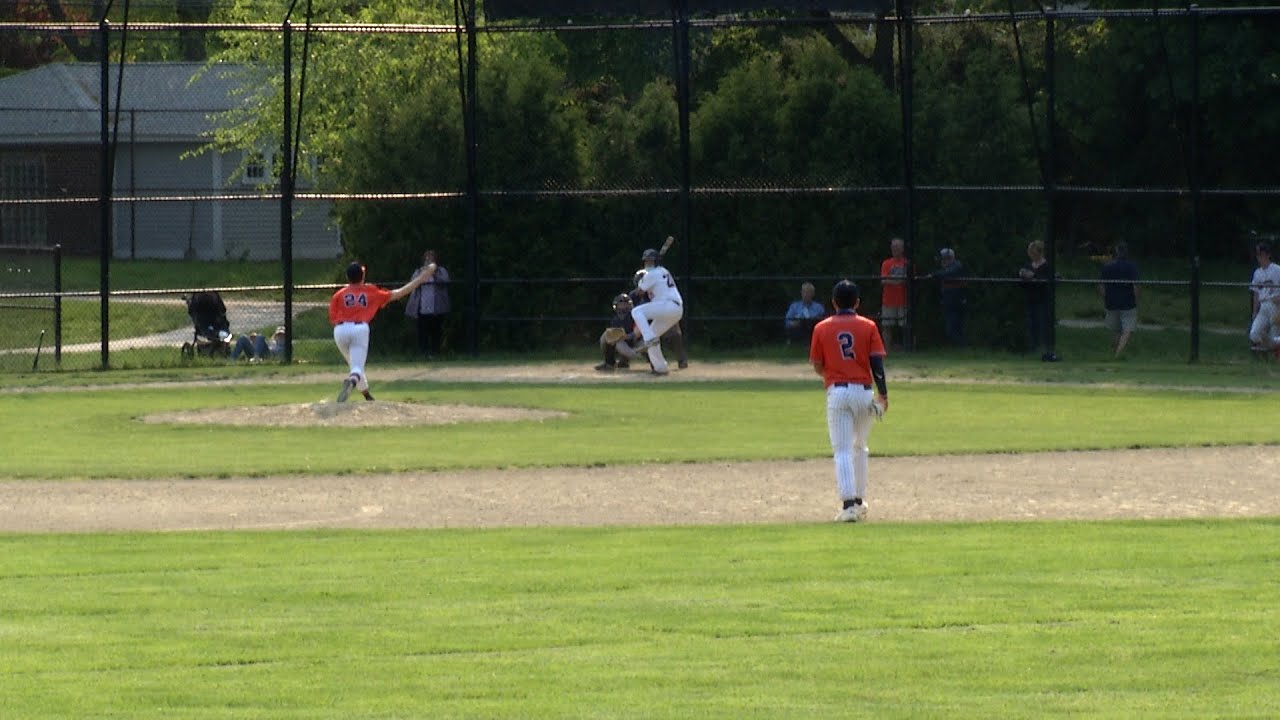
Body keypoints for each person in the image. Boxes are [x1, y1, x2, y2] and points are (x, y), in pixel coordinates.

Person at [809, 279, 888, 523]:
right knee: (860, 447)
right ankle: (860, 501)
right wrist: (883, 394)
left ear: (833, 303)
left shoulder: (821, 328)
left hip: (838, 391)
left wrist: (833, 376)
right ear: (857, 303)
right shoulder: (869, 326)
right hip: (864, 391)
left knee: (842, 450)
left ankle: (848, 506)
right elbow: (877, 363)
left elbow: (817, 364)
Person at [330, 260, 433, 402]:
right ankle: (352, 382)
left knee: (355, 366)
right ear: (363, 276)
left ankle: (367, 395)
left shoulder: (339, 294)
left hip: (340, 330)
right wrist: (421, 278)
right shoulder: (370, 291)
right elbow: (399, 293)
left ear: (347, 277)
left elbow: (333, 317)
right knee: (357, 368)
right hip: (360, 329)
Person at [630, 247, 684, 376]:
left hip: (668, 305)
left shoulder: (652, 274)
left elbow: (639, 292)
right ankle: (660, 368)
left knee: (637, 312)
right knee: (653, 336)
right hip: (675, 310)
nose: (648, 263)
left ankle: (648, 338)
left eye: (650, 261)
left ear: (656, 261)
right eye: (646, 261)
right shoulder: (663, 271)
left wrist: (639, 283)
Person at [404, 249, 451, 359]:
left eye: (431, 258)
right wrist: (423, 273)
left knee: (436, 331)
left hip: (437, 308)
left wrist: (433, 273)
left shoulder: (441, 271)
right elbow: (412, 283)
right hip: (422, 308)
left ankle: (436, 352)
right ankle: (423, 353)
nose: (428, 260)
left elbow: (445, 281)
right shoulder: (419, 271)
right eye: (427, 258)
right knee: (422, 331)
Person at [1097, 242, 1140, 358]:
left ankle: (1114, 353)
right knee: (1128, 330)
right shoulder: (1132, 267)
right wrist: (1136, 299)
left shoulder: (1107, 266)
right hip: (1128, 303)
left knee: (1116, 330)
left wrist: (1106, 298)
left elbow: (1101, 286)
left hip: (1111, 303)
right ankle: (1118, 355)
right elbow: (1135, 286)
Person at [921, 247, 967, 347]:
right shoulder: (944, 268)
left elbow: (947, 273)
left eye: (945, 259)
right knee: (951, 328)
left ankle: (962, 348)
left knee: (954, 328)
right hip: (948, 302)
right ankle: (960, 348)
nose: (943, 261)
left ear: (950, 258)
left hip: (957, 302)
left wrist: (933, 275)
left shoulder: (957, 266)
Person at [1018, 240, 1056, 361]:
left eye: (1034, 253)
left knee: (1042, 324)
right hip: (1031, 299)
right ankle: (1032, 348)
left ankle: (1045, 349)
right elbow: (1022, 283)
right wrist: (1022, 275)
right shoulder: (1028, 265)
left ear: (1040, 253)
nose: (1032, 255)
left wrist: (1033, 276)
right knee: (1031, 324)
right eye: (1030, 253)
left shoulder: (1047, 266)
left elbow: (1046, 283)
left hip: (1042, 300)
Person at [879, 237, 911, 350]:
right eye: (893, 247)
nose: (895, 249)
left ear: (902, 249)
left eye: (897, 247)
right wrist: (898, 281)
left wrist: (894, 281)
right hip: (888, 300)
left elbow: (909, 281)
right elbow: (883, 280)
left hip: (903, 299)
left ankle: (906, 348)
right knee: (887, 325)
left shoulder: (907, 263)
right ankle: (886, 349)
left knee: (905, 326)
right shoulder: (886, 263)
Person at [1248, 241, 1280, 354]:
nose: (1259, 258)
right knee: (1254, 333)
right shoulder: (1257, 273)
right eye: (1258, 255)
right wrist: (1254, 311)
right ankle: (1270, 347)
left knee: (1275, 333)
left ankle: (1274, 354)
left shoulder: (1277, 269)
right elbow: (1256, 293)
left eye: (1261, 254)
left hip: (1276, 305)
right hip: (1263, 306)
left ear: (1268, 255)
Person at [596, 293, 641, 371]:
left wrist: (627, 336)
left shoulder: (634, 315)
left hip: (636, 342)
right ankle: (610, 363)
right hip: (622, 342)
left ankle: (653, 363)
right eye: (620, 304)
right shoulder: (615, 319)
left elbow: (638, 332)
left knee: (649, 342)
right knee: (607, 337)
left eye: (625, 303)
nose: (622, 306)